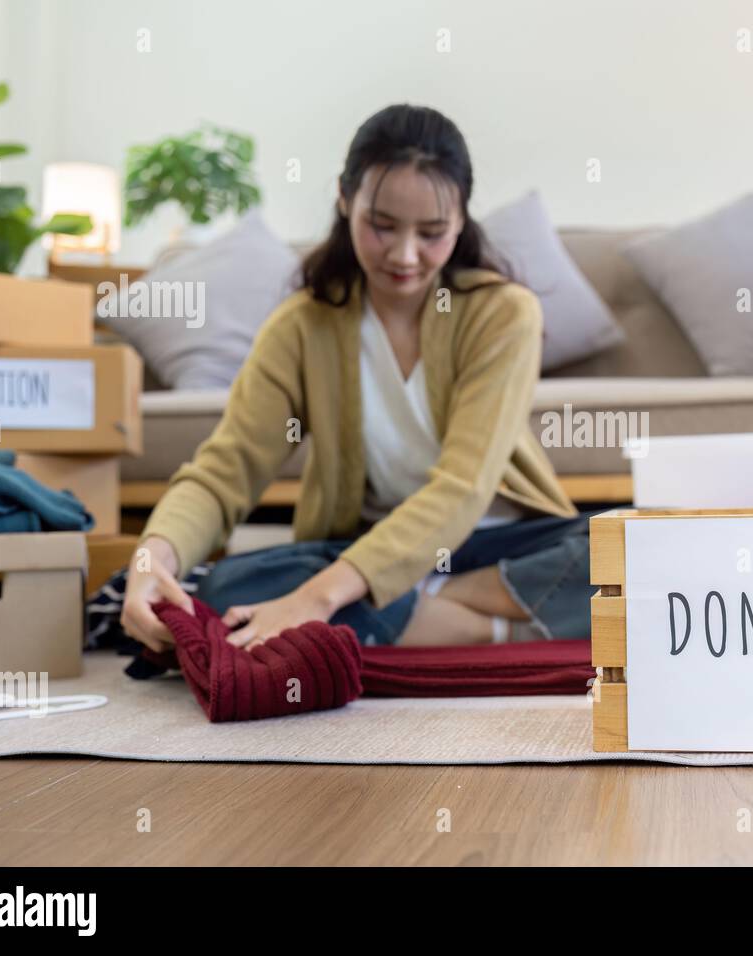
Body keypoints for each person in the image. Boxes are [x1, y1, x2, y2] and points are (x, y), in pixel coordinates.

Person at [120, 104, 599, 653]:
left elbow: (462, 489)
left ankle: (413, 611)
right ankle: (496, 626)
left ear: (462, 220)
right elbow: (224, 471)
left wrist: (317, 600)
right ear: (345, 201)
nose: (405, 255)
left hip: (502, 544)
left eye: (432, 232)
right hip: (357, 551)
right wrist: (152, 556)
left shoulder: (503, 314)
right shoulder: (302, 326)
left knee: (632, 545)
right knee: (231, 584)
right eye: (382, 225)